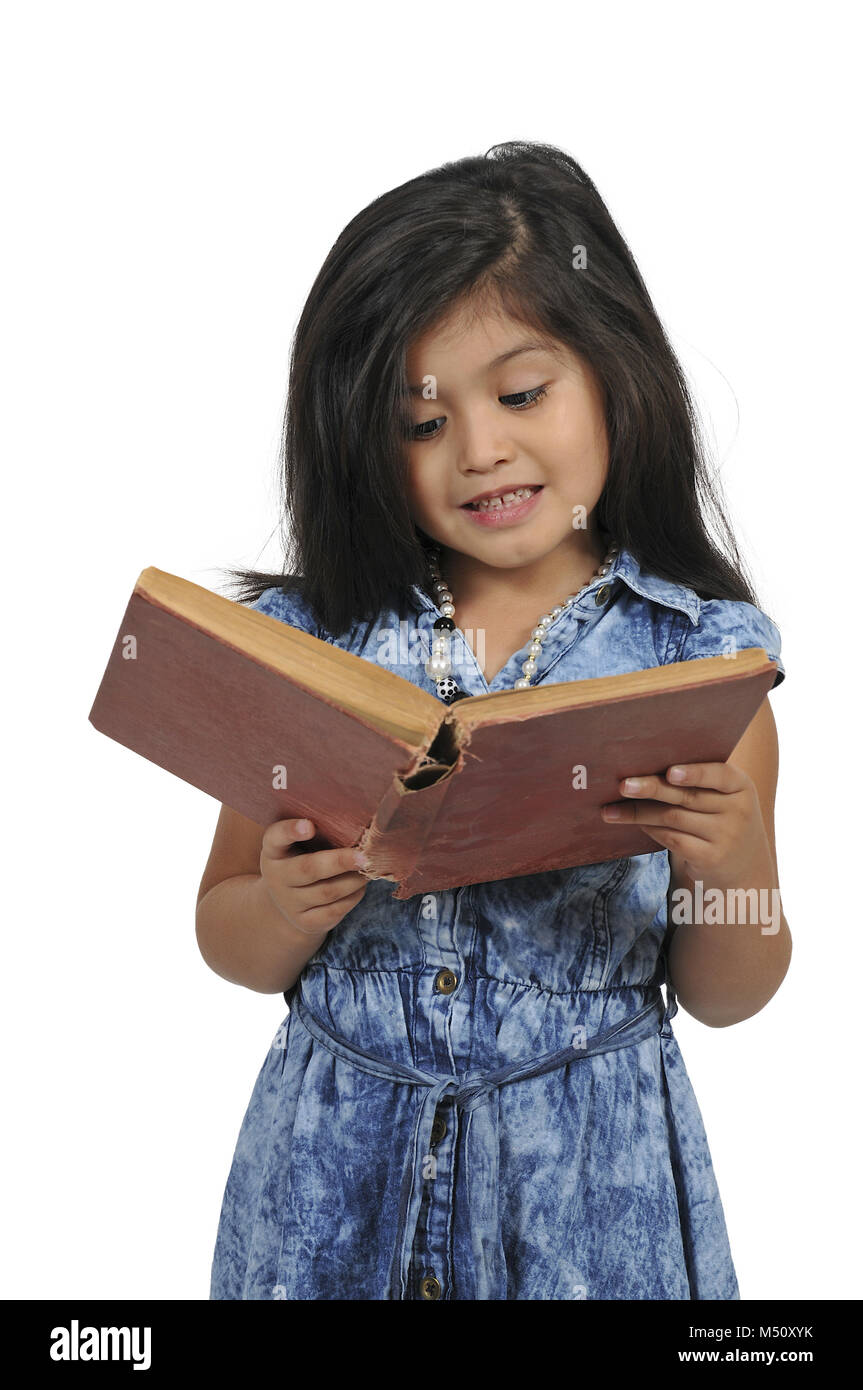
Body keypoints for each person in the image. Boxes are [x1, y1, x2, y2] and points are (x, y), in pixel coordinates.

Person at [197, 141, 790, 1300]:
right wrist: (277, 905)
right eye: (419, 423)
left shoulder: (694, 664)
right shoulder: (314, 648)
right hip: (332, 1177)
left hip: (586, 1192)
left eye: (521, 394)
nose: (480, 450)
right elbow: (223, 933)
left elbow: (728, 990)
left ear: (614, 371)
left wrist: (737, 858)